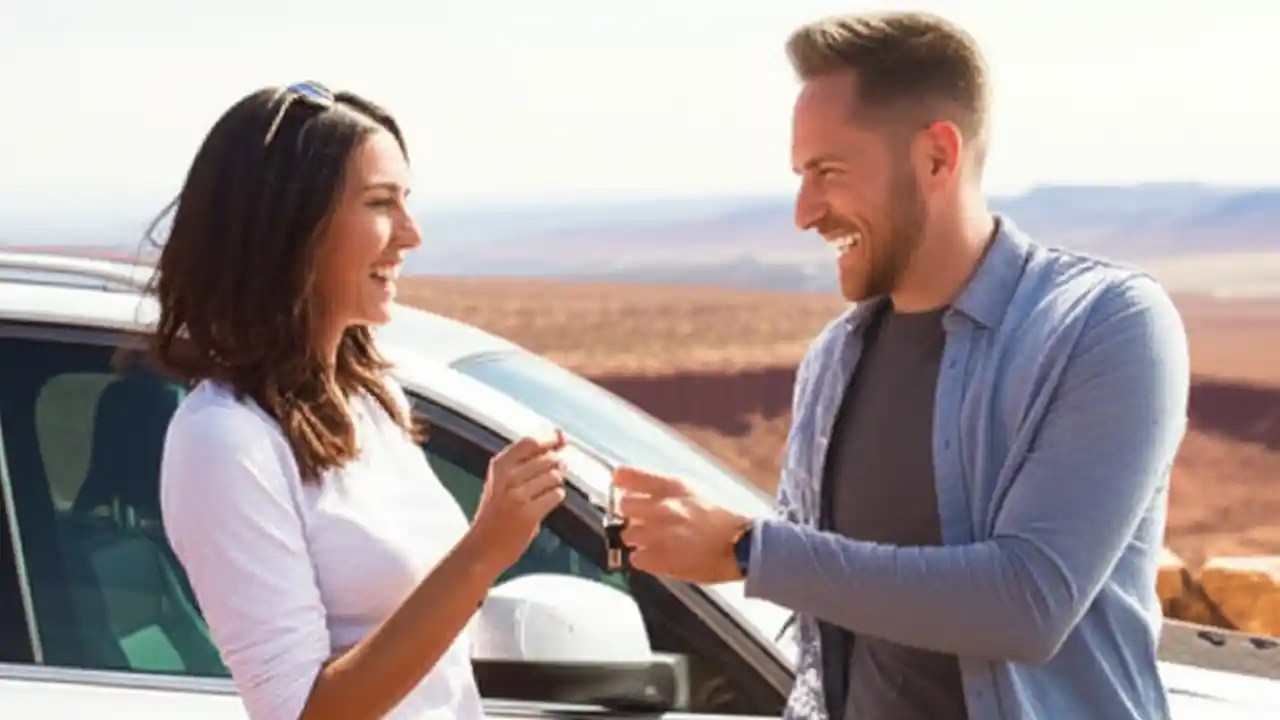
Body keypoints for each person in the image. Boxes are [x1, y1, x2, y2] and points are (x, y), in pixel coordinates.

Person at [613, 11, 1189, 720]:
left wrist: (747, 549)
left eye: (828, 171)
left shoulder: (1105, 323)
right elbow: (827, 636)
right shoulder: (833, 361)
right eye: (801, 175)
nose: (804, 212)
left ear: (937, 157)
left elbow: (1030, 602)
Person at [150, 81, 568, 719]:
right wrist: (485, 549)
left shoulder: (372, 399)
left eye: (407, 202)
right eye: (380, 203)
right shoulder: (224, 439)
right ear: (290, 228)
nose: (411, 234)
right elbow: (302, 713)